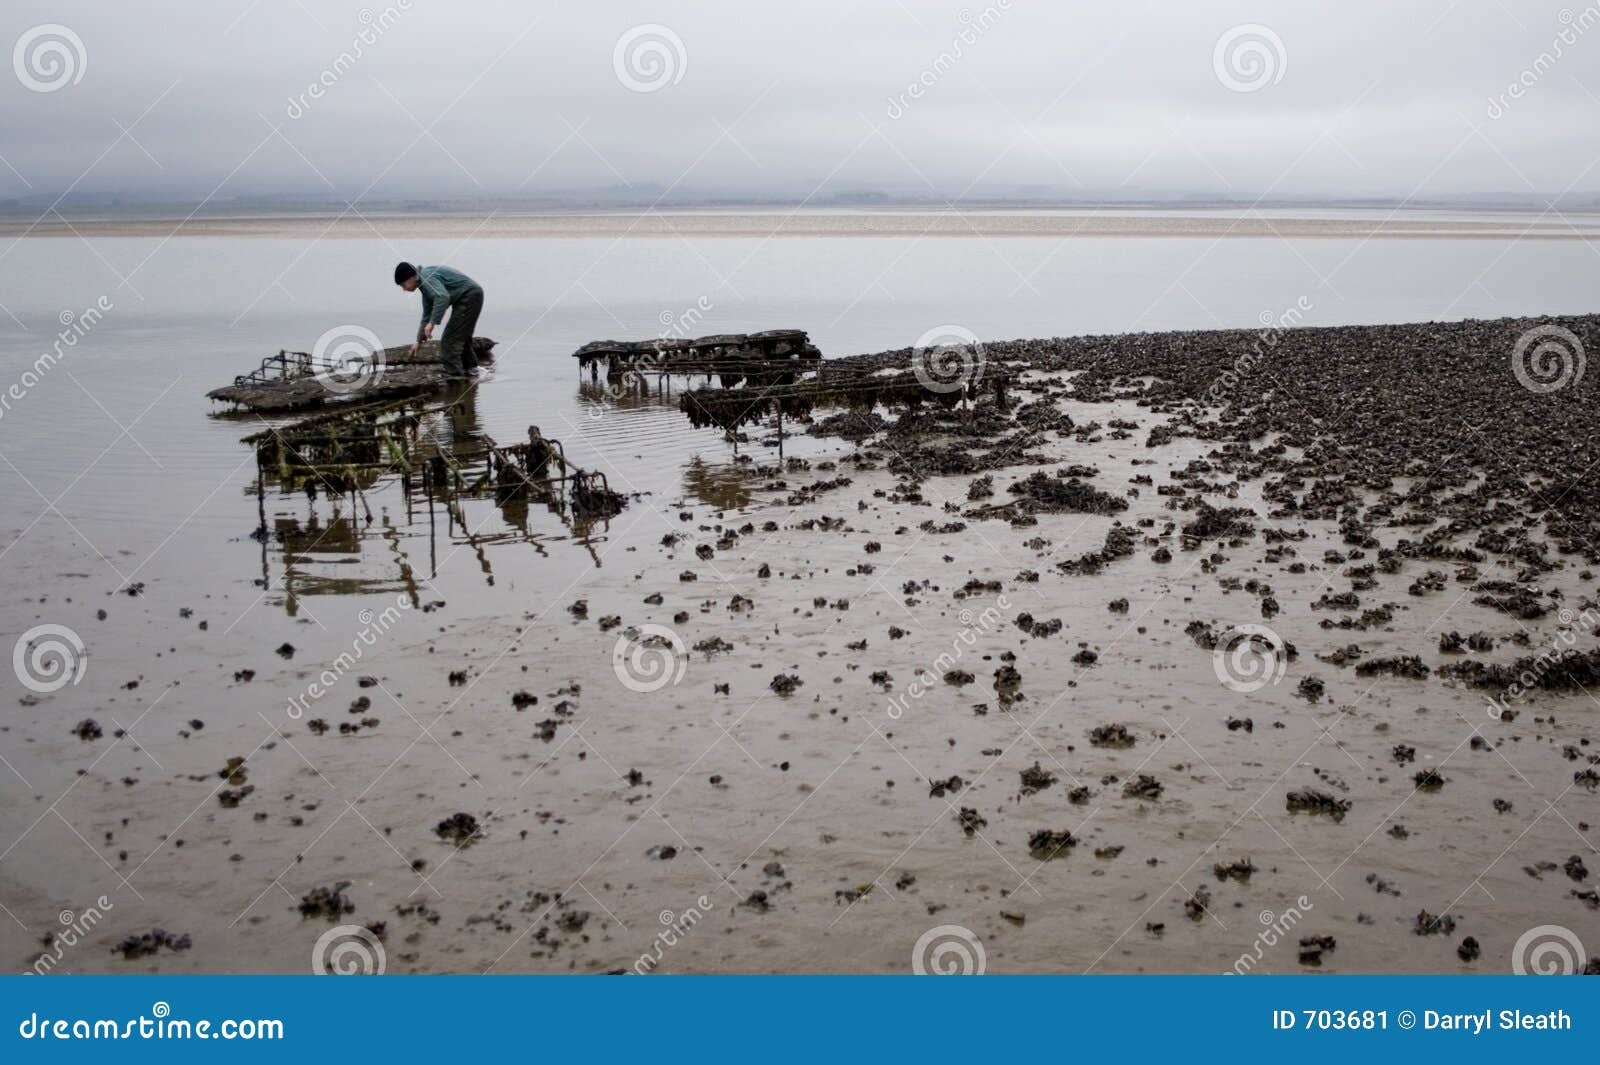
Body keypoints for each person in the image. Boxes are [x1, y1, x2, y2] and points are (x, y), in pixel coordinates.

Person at [394, 262, 484, 380]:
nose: (404, 289)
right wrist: (418, 341)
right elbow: (426, 315)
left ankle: (456, 379)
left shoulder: (426, 277)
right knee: (461, 338)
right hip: (471, 295)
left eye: (403, 284)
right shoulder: (424, 286)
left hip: (470, 296)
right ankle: (472, 371)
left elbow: (442, 297)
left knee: (449, 341)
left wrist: (432, 323)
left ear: (411, 277)